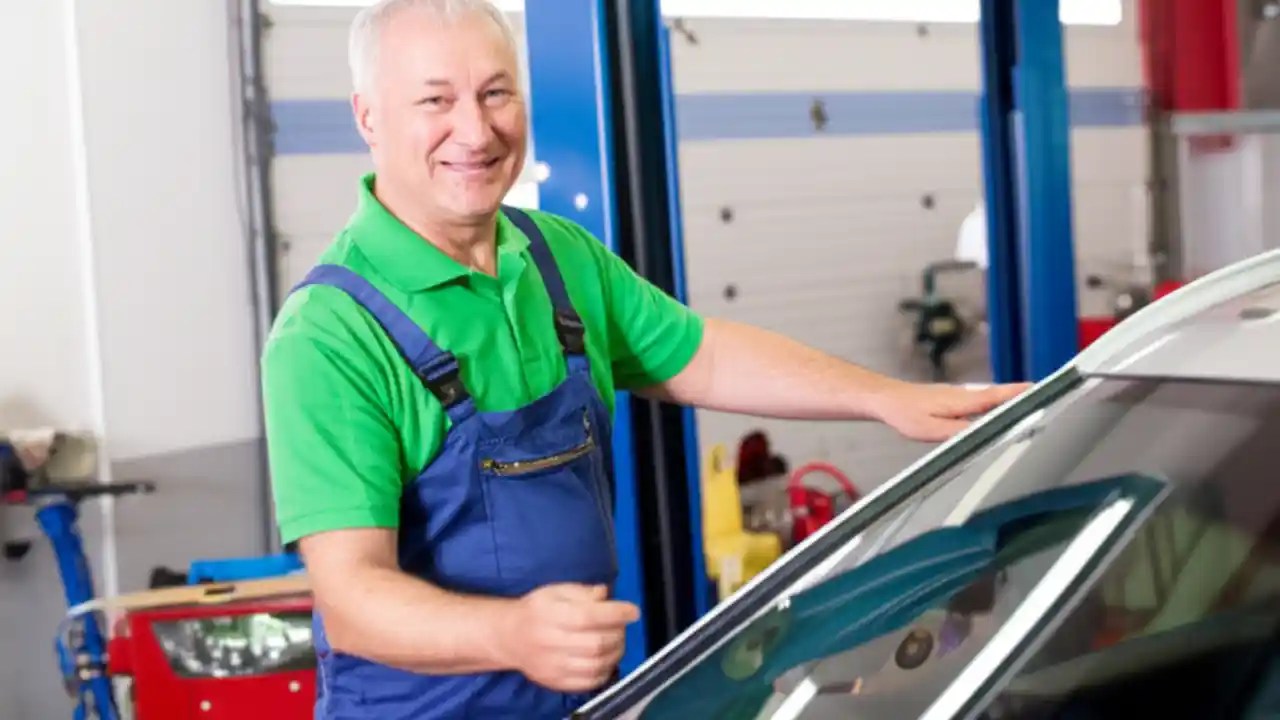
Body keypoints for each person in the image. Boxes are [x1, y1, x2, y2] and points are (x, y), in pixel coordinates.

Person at [258, 1, 1029, 717]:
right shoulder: (330, 334)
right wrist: (511, 635)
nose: (477, 131)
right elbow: (353, 599)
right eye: (436, 101)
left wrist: (884, 398)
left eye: (497, 93)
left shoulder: (555, 256)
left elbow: (706, 356)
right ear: (369, 117)